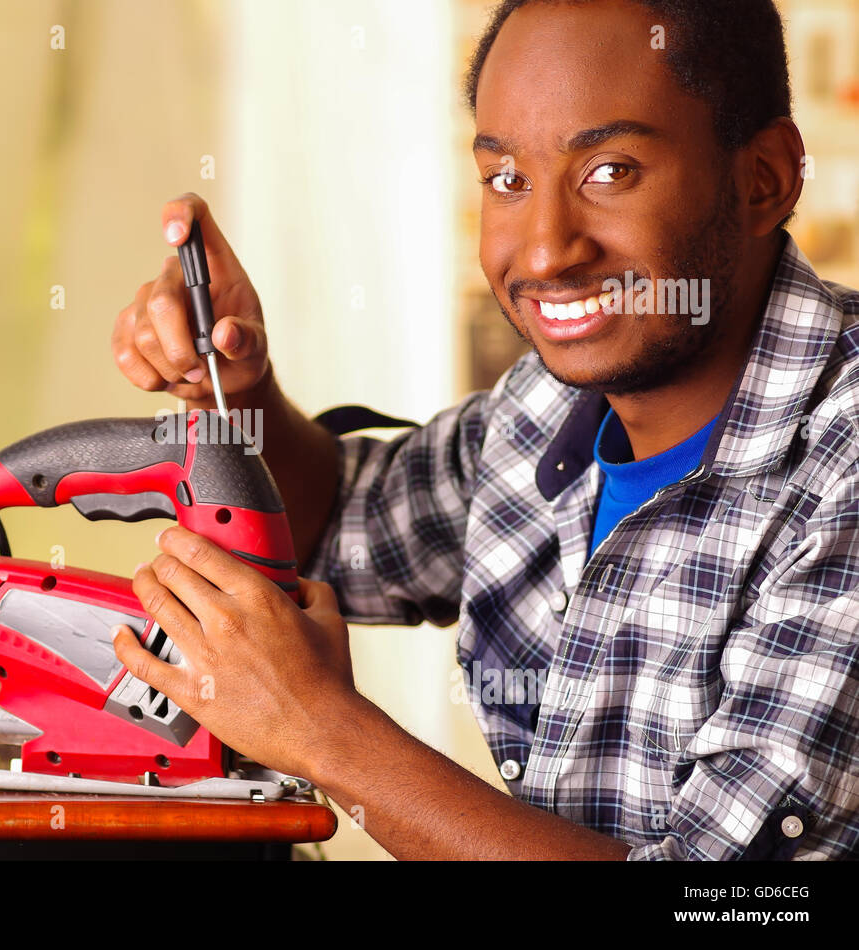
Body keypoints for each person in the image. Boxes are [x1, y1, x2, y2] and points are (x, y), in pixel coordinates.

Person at [108, 0, 859, 860]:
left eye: (609, 172)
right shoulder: (544, 406)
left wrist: (321, 734)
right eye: (507, 180)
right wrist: (236, 385)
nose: (543, 253)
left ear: (764, 177)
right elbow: (345, 530)